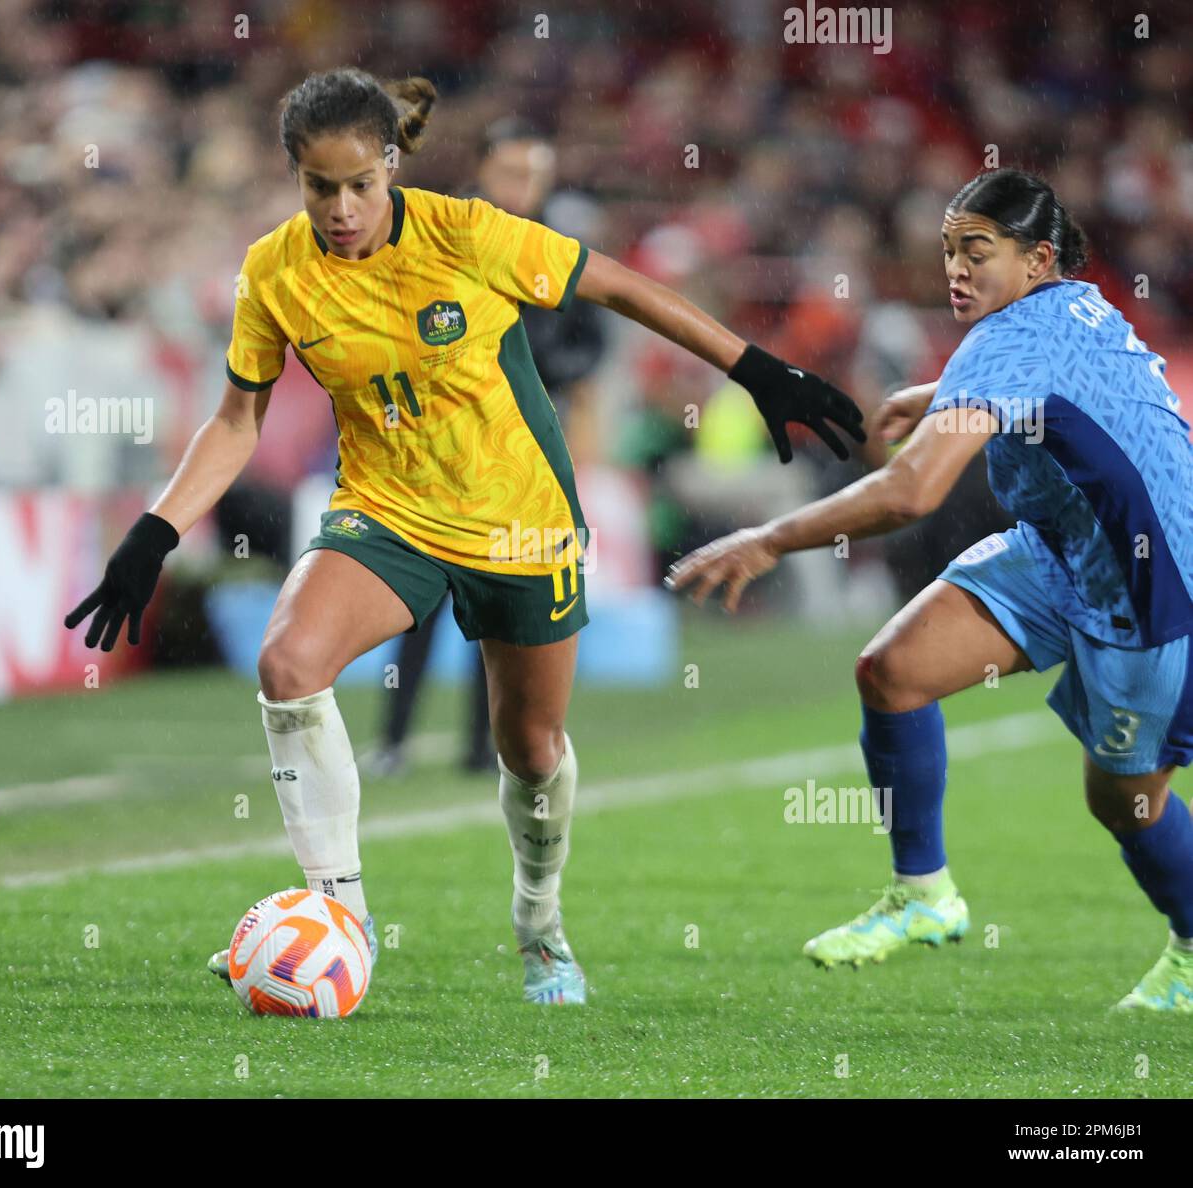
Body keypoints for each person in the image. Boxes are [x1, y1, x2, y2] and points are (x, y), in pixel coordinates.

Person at [64, 67, 864, 1006]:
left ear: (391, 167)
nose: (341, 207)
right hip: (386, 514)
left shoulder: (468, 234)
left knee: (528, 745)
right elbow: (237, 418)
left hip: (520, 522)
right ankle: (339, 918)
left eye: (360, 184)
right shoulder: (275, 272)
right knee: (288, 666)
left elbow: (611, 283)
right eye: (320, 187)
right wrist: (157, 530)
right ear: (295, 177)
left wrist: (757, 368)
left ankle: (540, 923)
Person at [667, 169, 1193, 1012]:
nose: (953, 269)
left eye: (976, 251)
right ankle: (925, 896)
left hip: (1151, 580)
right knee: (892, 669)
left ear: (1038, 258)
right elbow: (1075, 390)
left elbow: (911, 492)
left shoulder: (1009, 336)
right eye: (949, 250)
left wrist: (771, 536)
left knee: (1126, 801)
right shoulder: (1068, 304)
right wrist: (949, 396)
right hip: (1060, 544)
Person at [366, 115, 606, 779]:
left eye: (533, 174)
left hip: (520, 458)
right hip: (440, 455)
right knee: (421, 604)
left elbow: (592, 339)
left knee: (499, 612)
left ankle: (482, 747)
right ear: (481, 171)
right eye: (509, 171)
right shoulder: (440, 238)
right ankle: (394, 738)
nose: (521, 185)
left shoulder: (553, 245)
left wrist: (549, 381)